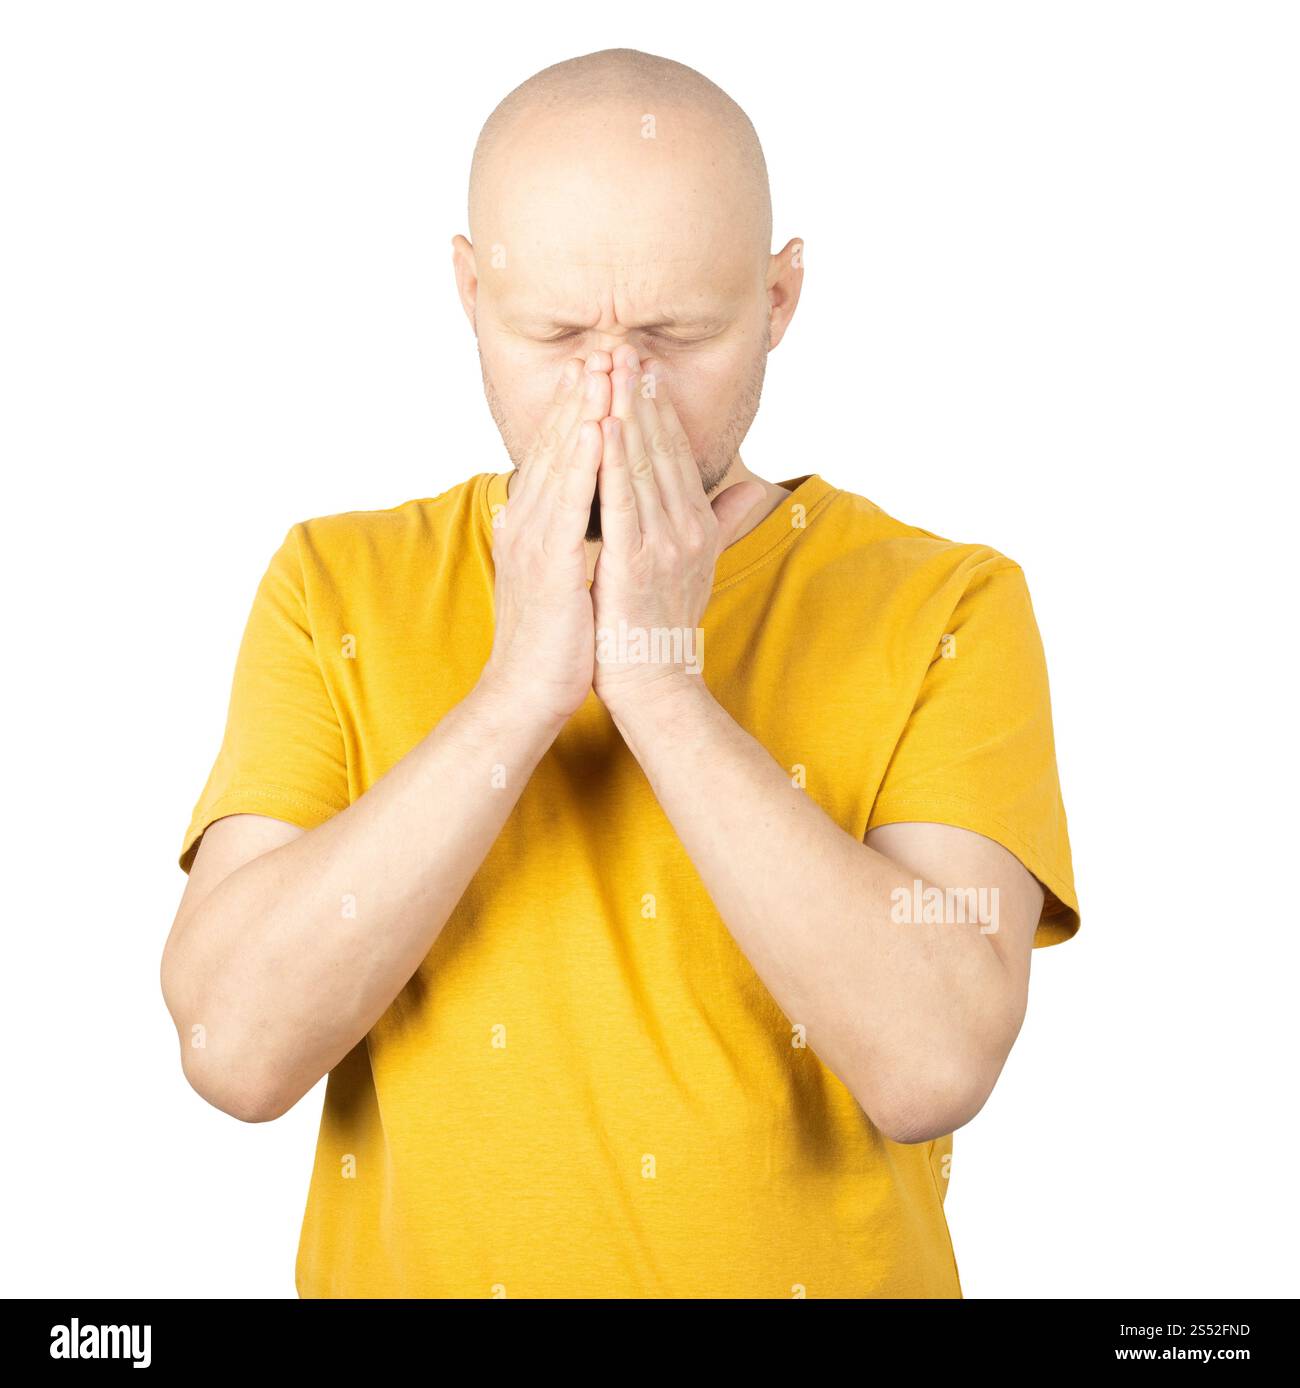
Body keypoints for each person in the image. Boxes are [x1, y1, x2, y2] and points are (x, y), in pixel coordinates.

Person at [162, 47, 1079, 1299]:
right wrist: (518, 690)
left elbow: (933, 1065)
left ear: (778, 299)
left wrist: (658, 683)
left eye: (676, 333)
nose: (611, 393)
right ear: (469, 292)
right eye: (551, 332)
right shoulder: (336, 587)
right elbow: (233, 1050)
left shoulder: (945, 604)